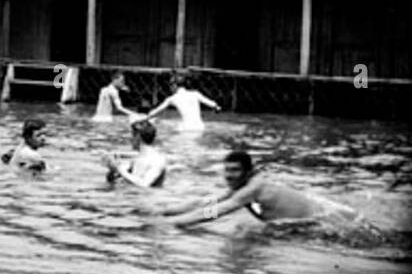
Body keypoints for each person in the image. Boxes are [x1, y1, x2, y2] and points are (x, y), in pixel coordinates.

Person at [168, 150, 357, 227]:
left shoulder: (252, 189)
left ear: (248, 171)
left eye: (234, 171)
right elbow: (207, 202)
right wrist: (165, 211)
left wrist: (171, 224)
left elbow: (216, 211)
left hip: (329, 222)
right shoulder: (243, 185)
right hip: (323, 216)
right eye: (226, 170)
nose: (228, 176)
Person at [146, 72, 221, 131]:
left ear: (174, 86)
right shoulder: (195, 94)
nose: (169, 88)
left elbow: (155, 112)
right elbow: (214, 105)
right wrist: (216, 107)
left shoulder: (172, 98)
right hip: (200, 127)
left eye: (170, 85)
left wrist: (145, 117)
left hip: (186, 128)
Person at [104, 119, 167, 188]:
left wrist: (119, 169)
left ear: (138, 137)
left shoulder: (157, 160)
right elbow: (124, 178)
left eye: (132, 135)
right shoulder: (138, 158)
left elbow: (144, 184)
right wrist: (112, 171)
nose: (130, 139)